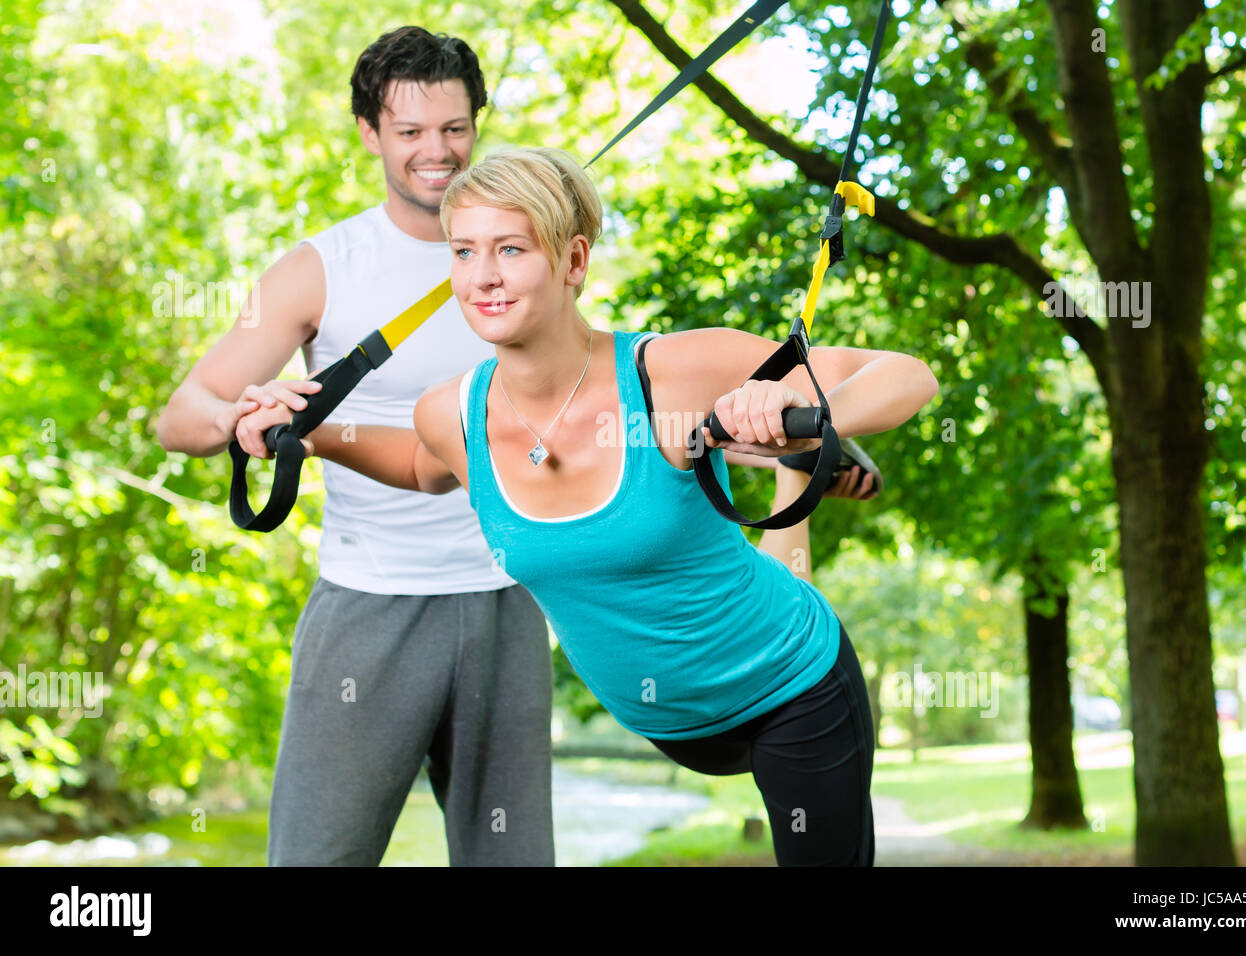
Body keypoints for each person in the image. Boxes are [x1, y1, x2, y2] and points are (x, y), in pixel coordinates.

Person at [244, 146, 939, 866]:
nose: (482, 277)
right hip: (665, 722)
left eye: (510, 249)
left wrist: (806, 409)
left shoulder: (670, 374)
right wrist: (308, 433)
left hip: (793, 689)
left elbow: (906, 378)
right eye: (463, 251)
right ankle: (793, 474)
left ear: (573, 261)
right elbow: (423, 467)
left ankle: (794, 468)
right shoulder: (452, 415)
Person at [156, 29, 555, 866]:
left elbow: (594, 402)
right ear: (371, 133)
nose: (436, 152)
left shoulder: (525, 256)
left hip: (509, 597)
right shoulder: (320, 269)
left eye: (454, 128)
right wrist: (247, 421)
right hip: (370, 606)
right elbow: (182, 415)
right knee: (316, 856)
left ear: (477, 123)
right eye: (410, 132)